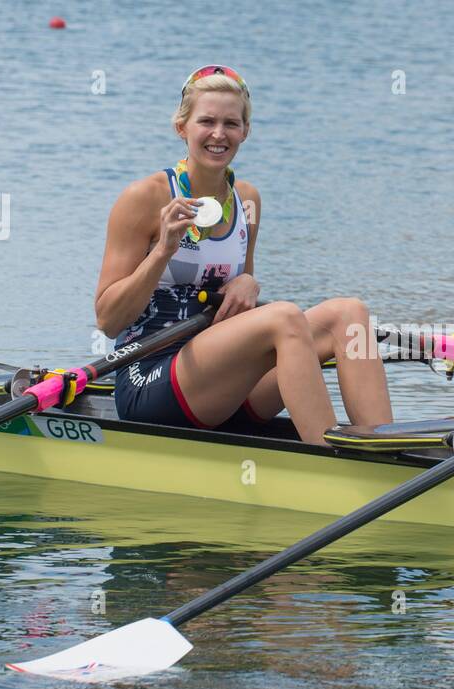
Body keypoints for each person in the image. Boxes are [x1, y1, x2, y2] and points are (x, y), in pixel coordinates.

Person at [95, 65, 392, 445]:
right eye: (206, 121)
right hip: (149, 378)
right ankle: (331, 463)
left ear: (245, 132)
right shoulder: (145, 198)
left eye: (231, 124)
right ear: (182, 128)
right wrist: (162, 253)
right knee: (284, 317)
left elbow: (242, 309)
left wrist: (248, 281)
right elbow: (108, 320)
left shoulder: (247, 200)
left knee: (350, 313)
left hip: (221, 382)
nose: (219, 134)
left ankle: (386, 452)